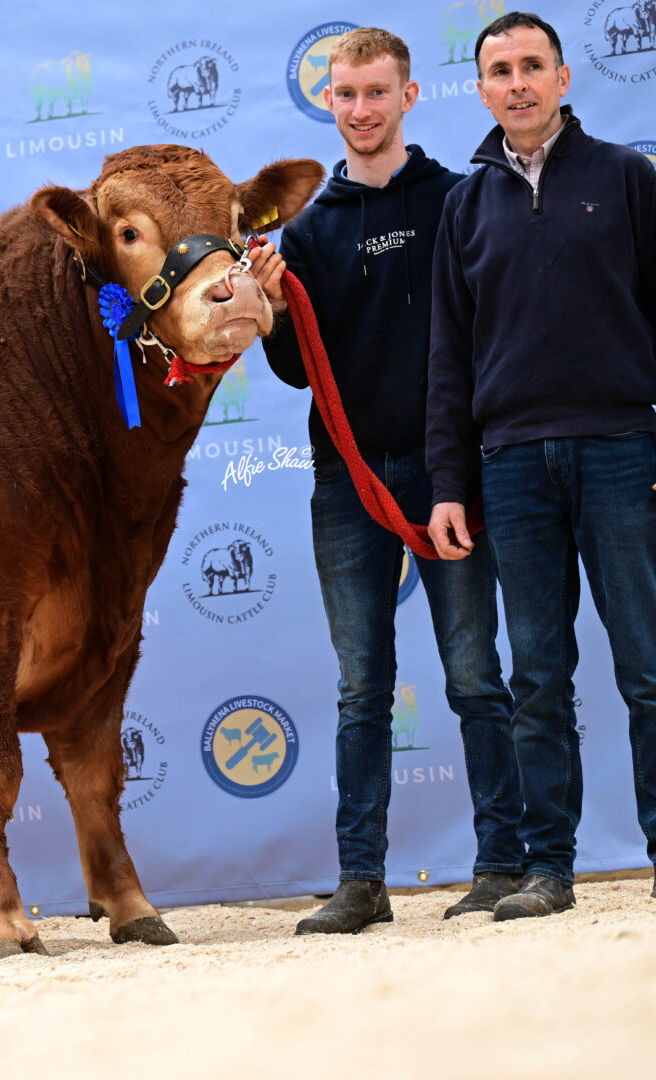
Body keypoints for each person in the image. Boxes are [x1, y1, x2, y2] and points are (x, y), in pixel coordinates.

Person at [426, 12, 656, 919]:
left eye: (532, 67)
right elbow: (449, 364)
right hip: (509, 468)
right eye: (499, 70)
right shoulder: (465, 205)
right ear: (481, 89)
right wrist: (447, 486)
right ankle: (550, 867)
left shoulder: (624, 177)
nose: (518, 83)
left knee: (650, 666)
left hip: (621, 450)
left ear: (563, 76)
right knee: (536, 678)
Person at [249, 26, 524, 934]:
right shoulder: (308, 231)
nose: (360, 110)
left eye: (376, 93)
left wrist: (460, 466)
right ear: (327, 102)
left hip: (452, 475)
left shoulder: (458, 200)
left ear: (408, 97)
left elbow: (490, 333)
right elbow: (297, 374)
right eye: (344, 95)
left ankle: (502, 864)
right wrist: (276, 310)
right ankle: (360, 881)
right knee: (361, 686)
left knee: (477, 675)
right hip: (349, 483)